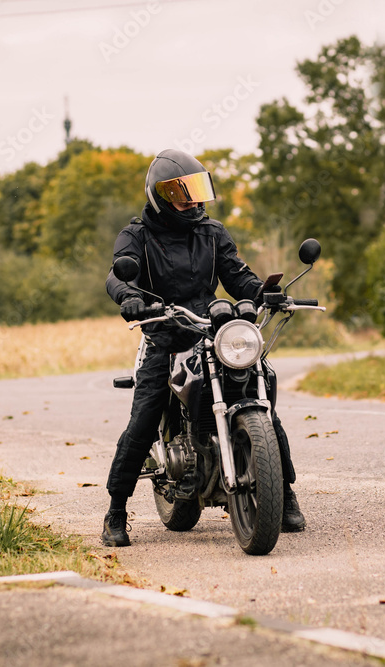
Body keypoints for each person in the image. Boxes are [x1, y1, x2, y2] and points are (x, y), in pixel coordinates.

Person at [102, 149, 305, 547]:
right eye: (180, 192)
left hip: (212, 329)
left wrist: (268, 293)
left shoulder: (212, 232)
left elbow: (238, 275)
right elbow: (118, 272)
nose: (190, 200)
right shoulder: (137, 236)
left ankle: (283, 494)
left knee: (259, 389)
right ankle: (115, 511)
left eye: (196, 191)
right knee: (143, 419)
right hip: (163, 330)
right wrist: (130, 296)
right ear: (158, 194)